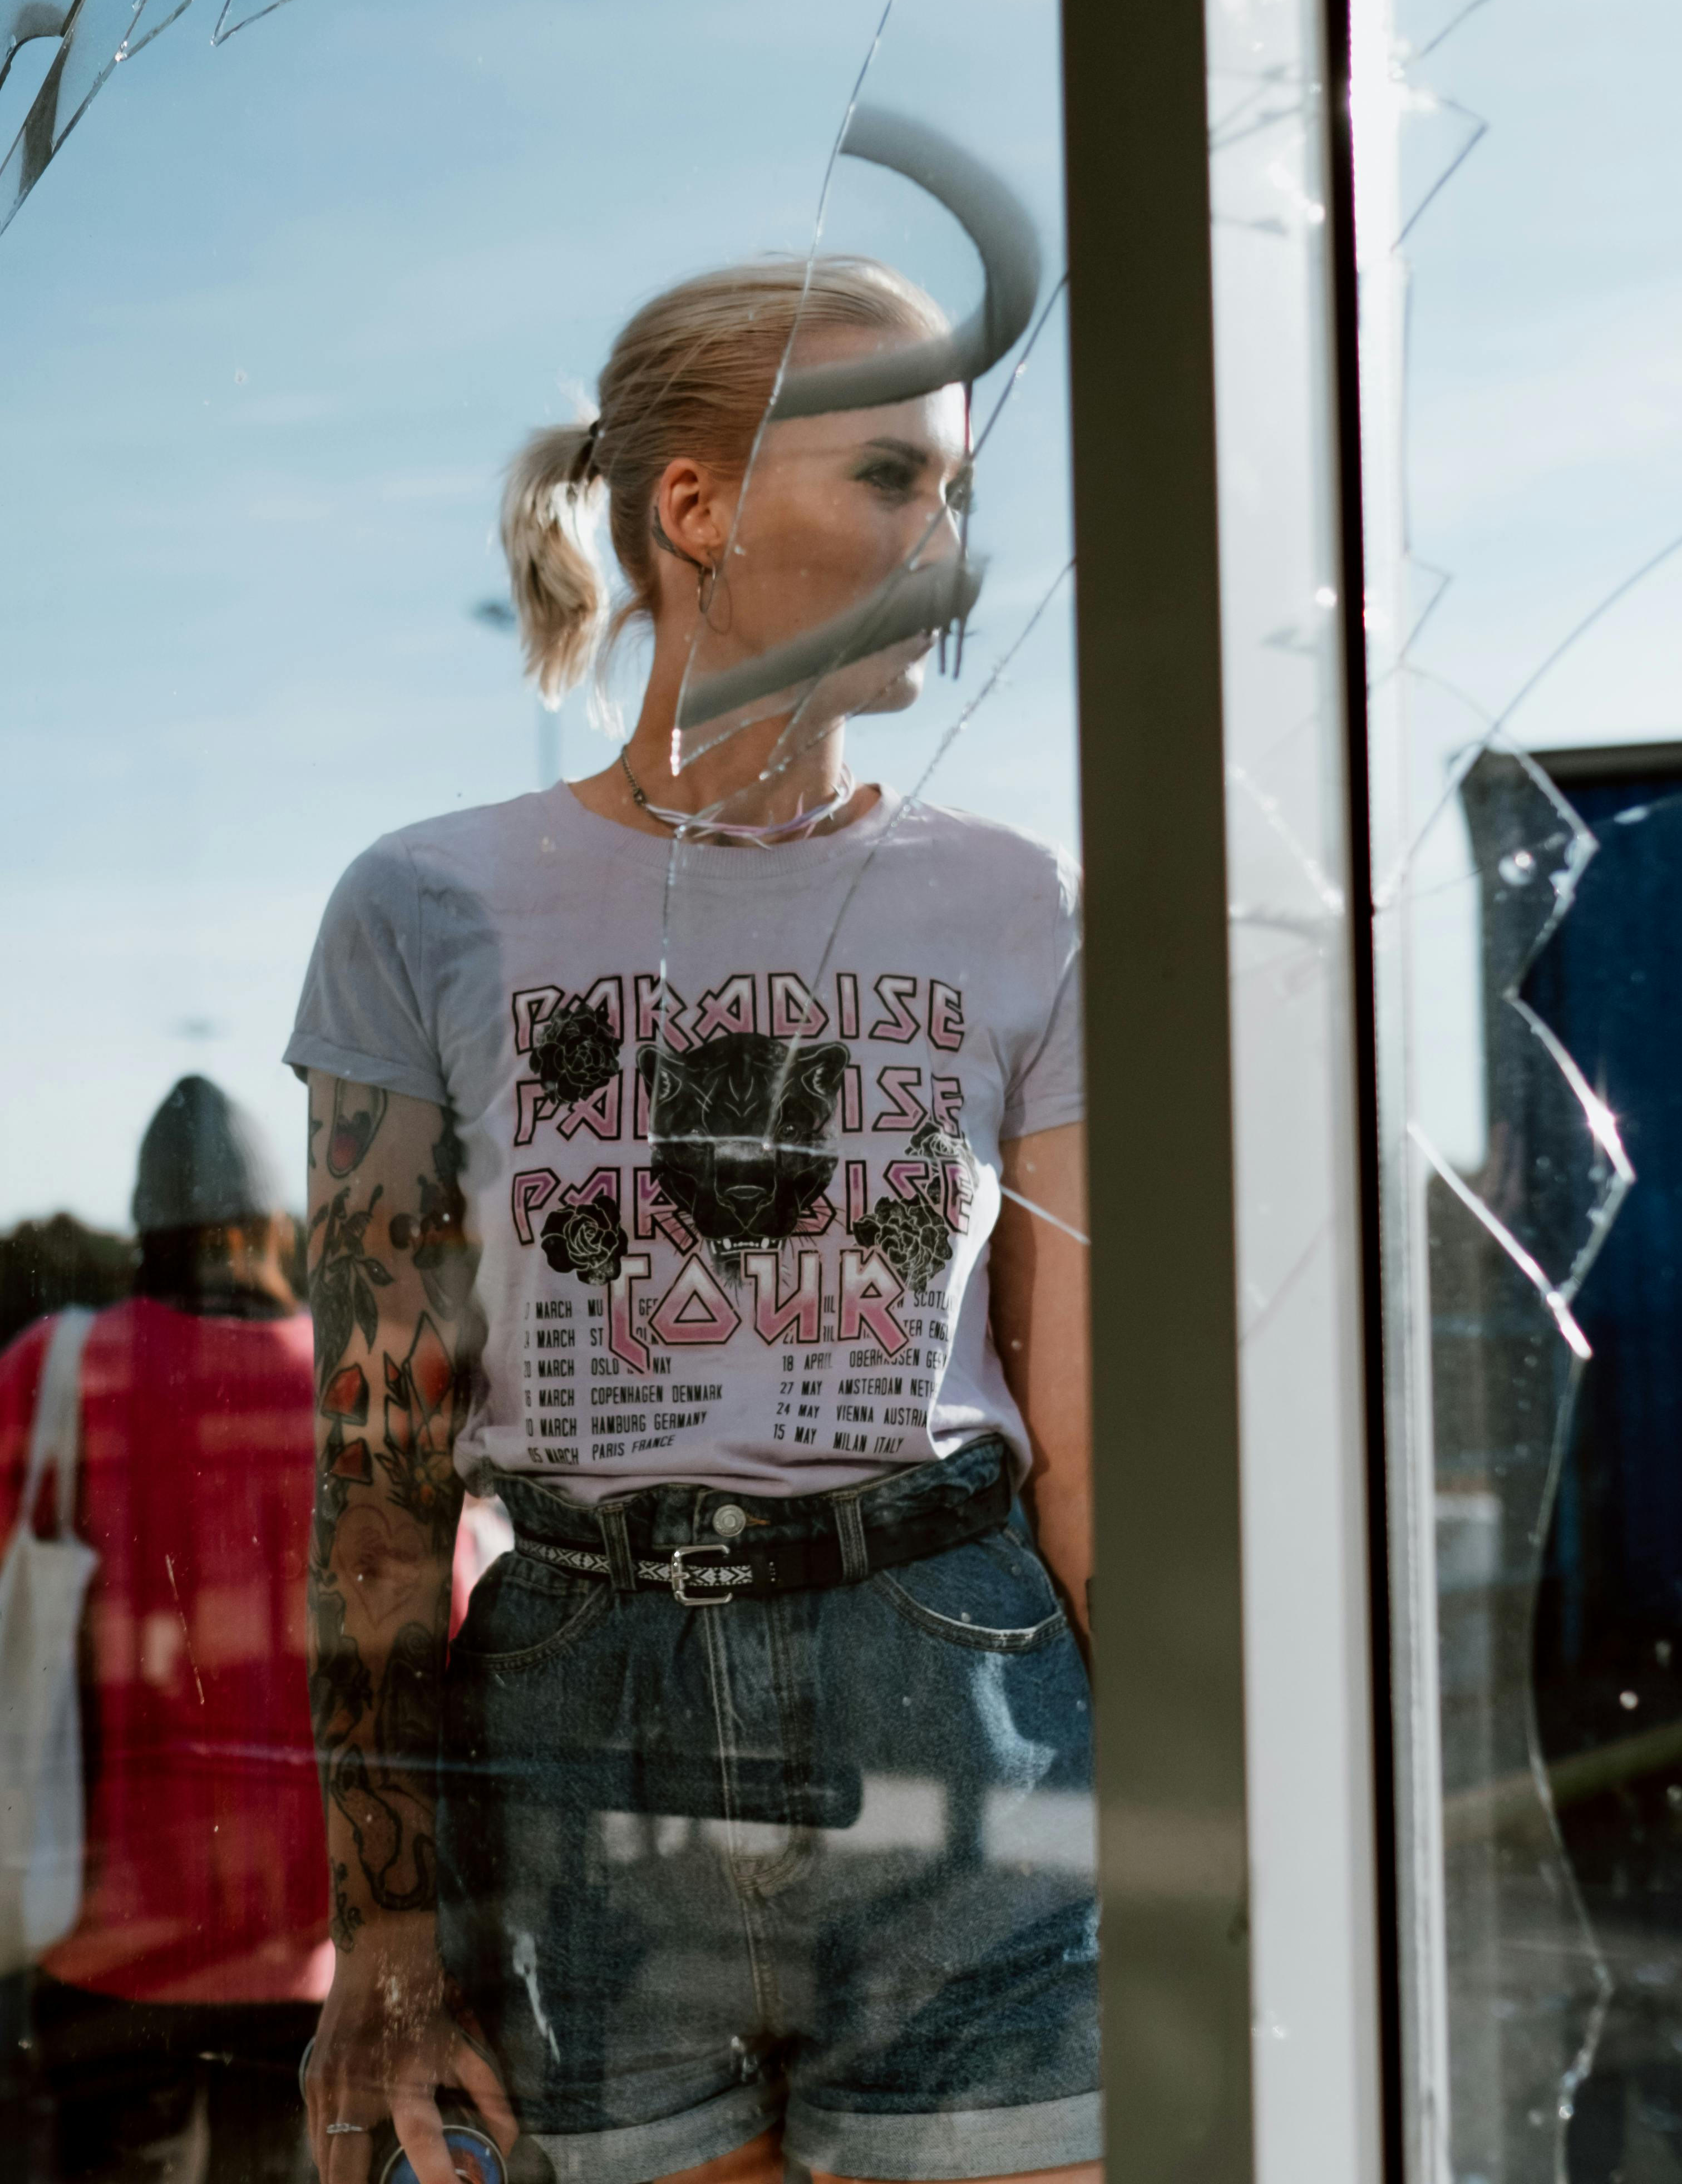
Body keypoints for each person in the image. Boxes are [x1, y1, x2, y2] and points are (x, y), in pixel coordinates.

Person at [285, 258, 1095, 2184]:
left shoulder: (1020, 906)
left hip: (966, 1690)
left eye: (957, 494)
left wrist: (1213, 1836)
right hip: (574, 1737)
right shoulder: (425, 907)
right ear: (696, 510)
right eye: (896, 479)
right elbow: (380, 1475)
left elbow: (1090, 1444)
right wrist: (385, 1928)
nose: (948, 542)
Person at [0, 1076, 334, 2184]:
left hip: (108, 1909)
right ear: (274, 1226)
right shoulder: (345, 1380)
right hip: (307, 1914)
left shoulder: (64, 1364)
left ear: (147, 1230)